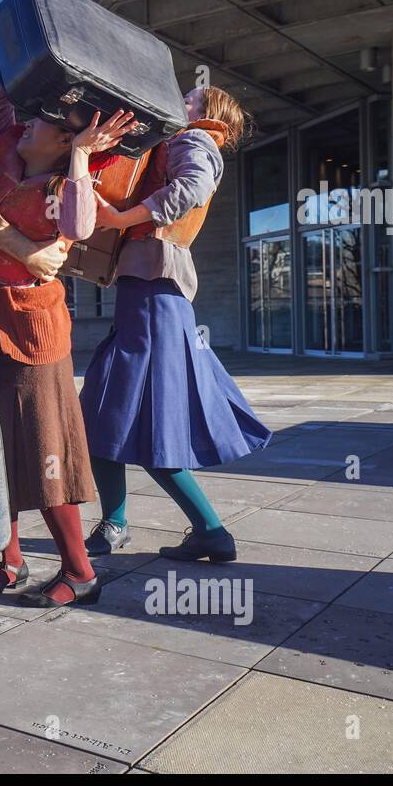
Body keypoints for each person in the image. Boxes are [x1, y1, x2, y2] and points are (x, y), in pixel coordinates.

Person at [78, 86, 272, 563]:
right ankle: (123, 522)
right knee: (102, 419)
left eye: (187, 98)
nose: (175, 101)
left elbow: (192, 188)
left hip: (154, 296)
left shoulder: (194, 140)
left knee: (148, 427)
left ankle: (208, 530)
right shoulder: (181, 138)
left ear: (204, 113)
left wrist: (123, 215)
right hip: (146, 296)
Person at [0, 71, 136, 607]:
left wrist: (83, 156)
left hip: (33, 334)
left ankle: (79, 571)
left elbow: (81, 227)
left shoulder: (65, 187)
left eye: (39, 121)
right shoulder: (2, 152)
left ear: (65, 140)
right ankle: (9, 560)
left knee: (46, 452)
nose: (25, 123)